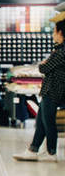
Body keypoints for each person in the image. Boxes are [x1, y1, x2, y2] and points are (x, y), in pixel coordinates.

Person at [15, 19, 65, 162]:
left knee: (48, 122)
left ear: (60, 32)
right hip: (50, 90)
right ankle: (33, 149)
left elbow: (43, 68)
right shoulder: (59, 50)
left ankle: (51, 152)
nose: (53, 34)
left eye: (54, 31)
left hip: (53, 91)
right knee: (41, 121)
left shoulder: (60, 52)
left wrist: (45, 64)